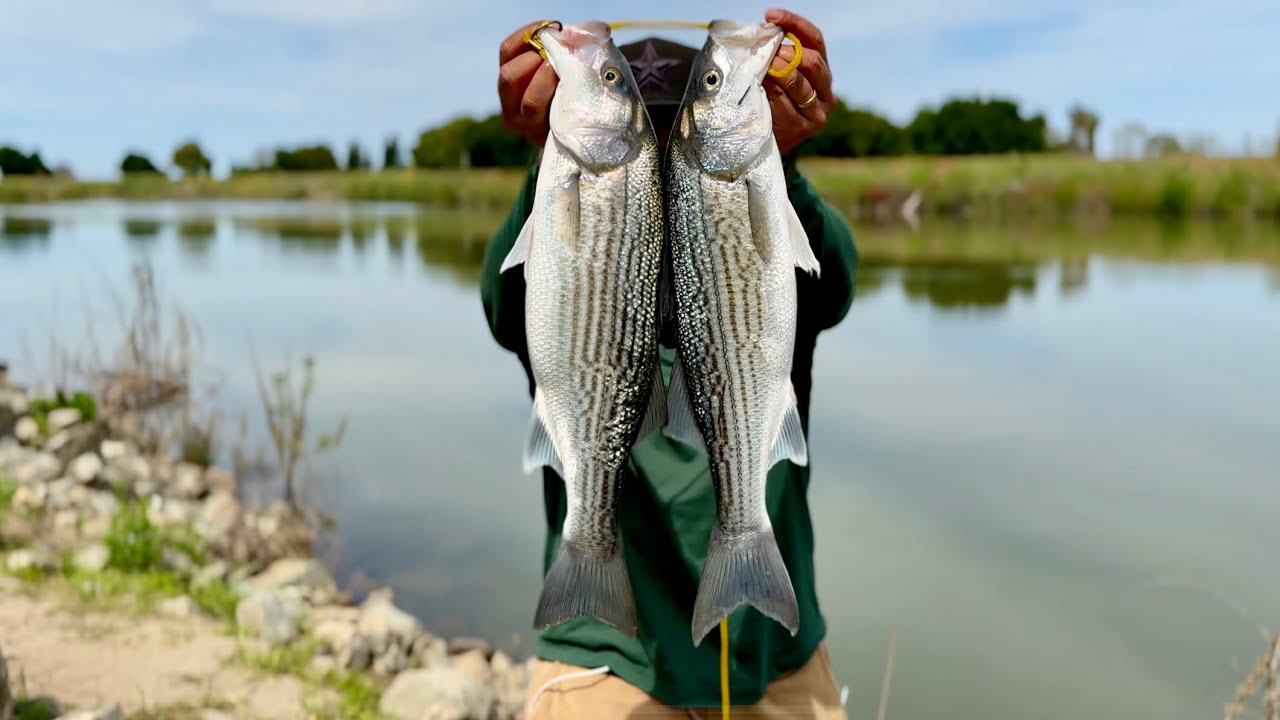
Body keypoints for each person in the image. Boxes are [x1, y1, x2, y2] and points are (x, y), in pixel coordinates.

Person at [481, 8, 859, 719]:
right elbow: (507, 310)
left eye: (667, 130)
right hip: (605, 657)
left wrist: (790, 166)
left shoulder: (764, 206)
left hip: (775, 654)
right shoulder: (569, 202)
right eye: (643, 128)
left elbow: (830, 285)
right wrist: (543, 161)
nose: (654, 153)